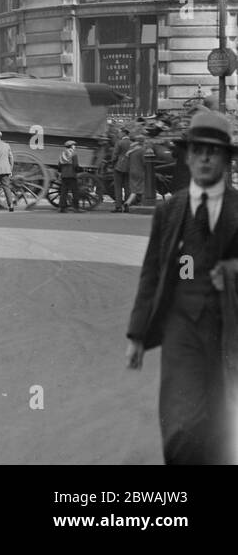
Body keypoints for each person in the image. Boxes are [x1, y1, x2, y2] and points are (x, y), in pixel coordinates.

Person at [127, 109, 238, 464]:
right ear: (187, 157)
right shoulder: (170, 211)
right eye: (198, 150)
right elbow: (151, 272)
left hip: (229, 331)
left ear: (226, 160)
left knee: (223, 426)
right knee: (180, 427)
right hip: (181, 330)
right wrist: (137, 334)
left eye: (213, 152)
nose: (205, 158)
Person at [57, 139, 82, 214]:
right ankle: (76, 208)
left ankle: (62, 208)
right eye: (74, 145)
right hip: (72, 175)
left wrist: (62, 172)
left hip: (64, 175)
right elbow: (75, 165)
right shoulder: (74, 154)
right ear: (71, 146)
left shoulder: (62, 154)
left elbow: (59, 165)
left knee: (63, 192)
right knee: (75, 192)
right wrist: (79, 170)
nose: (75, 146)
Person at [113, 127, 133, 213]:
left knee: (118, 187)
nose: (119, 134)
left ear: (124, 133)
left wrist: (113, 163)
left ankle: (118, 207)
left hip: (119, 166)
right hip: (129, 167)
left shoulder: (119, 142)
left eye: (120, 132)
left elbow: (115, 155)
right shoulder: (132, 143)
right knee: (127, 187)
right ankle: (127, 207)